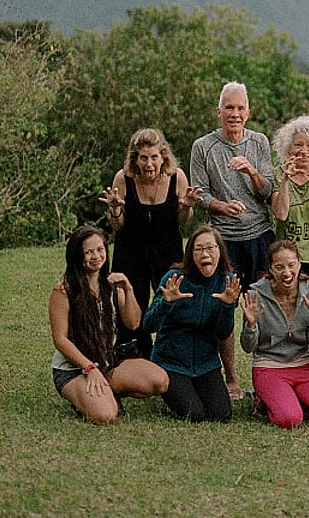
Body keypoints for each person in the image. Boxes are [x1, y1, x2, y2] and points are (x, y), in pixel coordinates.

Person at [189, 80, 276, 399]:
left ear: (248, 112)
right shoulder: (203, 146)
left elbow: (268, 190)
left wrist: (252, 172)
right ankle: (231, 377)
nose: (235, 114)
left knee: (263, 308)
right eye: (229, 108)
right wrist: (220, 206)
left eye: (240, 108)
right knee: (224, 309)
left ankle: (267, 377)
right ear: (219, 111)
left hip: (259, 237)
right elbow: (198, 193)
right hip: (222, 242)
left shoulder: (259, 142)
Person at [48, 226, 168, 425]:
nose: (96, 256)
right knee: (105, 416)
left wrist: (128, 289)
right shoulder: (64, 290)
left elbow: (133, 322)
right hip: (74, 369)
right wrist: (89, 368)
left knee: (159, 381)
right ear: (77, 256)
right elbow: (60, 339)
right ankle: (91, 398)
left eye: (100, 249)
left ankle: (103, 393)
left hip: (107, 362)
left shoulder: (111, 284)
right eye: (89, 252)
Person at [99, 127, 200, 359]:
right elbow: (118, 225)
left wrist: (186, 205)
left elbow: (182, 222)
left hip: (167, 249)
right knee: (131, 303)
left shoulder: (177, 177)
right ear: (135, 159)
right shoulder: (123, 179)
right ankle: (135, 354)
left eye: (154, 157)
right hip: (130, 251)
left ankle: (173, 353)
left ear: (163, 156)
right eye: (143, 158)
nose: (149, 163)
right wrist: (115, 209)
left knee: (173, 300)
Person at [239, 239, 309, 429]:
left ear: (299, 264)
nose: (287, 273)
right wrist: (251, 324)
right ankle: (266, 400)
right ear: (271, 269)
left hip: (303, 365)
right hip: (268, 367)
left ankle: (289, 398)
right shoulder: (257, 294)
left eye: (291, 265)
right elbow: (248, 347)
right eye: (279, 267)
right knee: (289, 419)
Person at [142, 225, 242, 423]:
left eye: (210, 248)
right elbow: (148, 325)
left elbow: (223, 332)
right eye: (199, 249)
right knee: (194, 414)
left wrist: (227, 306)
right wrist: (166, 303)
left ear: (220, 252)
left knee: (222, 415)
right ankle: (176, 391)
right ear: (191, 254)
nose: (205, 254)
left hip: (206, 363)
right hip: (171, 361)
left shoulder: (227, 281)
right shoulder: (175, 278)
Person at [270, 114, 309, 367]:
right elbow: (281, 213)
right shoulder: (279, 172)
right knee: (286, 319)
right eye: (298, 145)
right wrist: (286, 179)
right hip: (286, 262)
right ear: (288, 148)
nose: (304, 151)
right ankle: (285, 370)